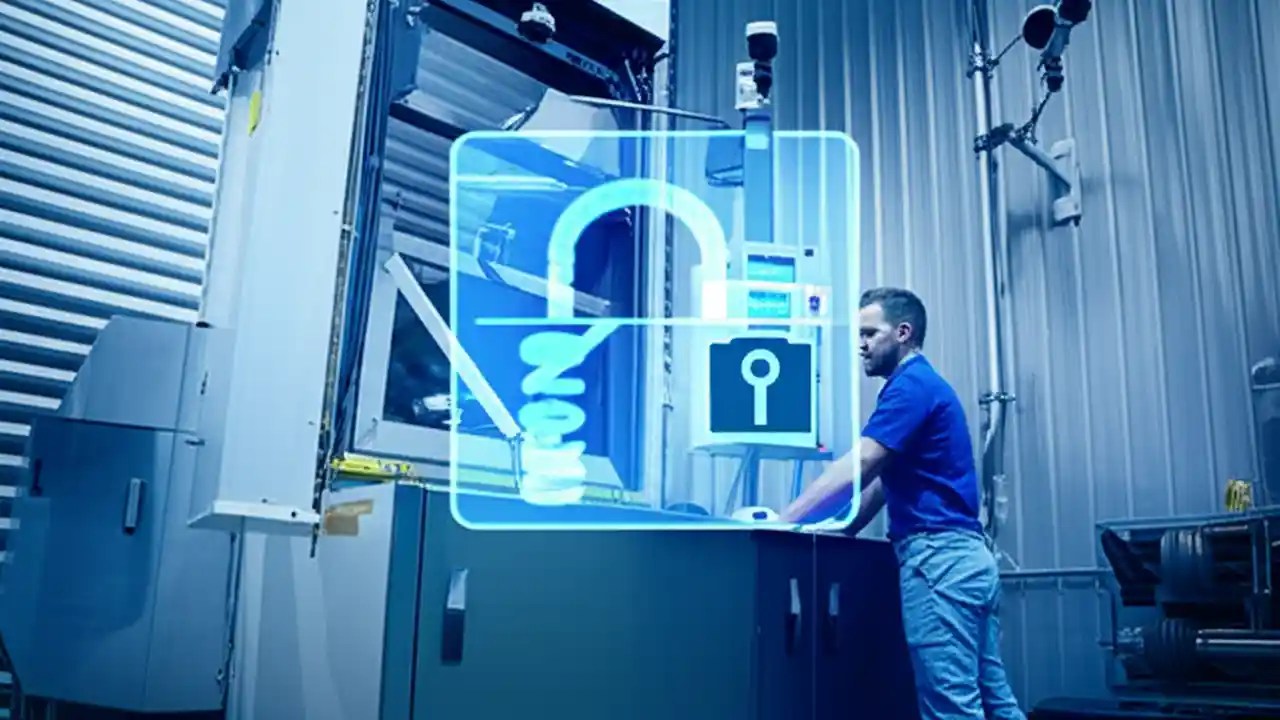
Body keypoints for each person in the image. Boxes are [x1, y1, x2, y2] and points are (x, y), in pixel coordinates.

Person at [780, 287, 1025, 720]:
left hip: (938, 565)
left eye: (870, 333)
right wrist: (844, 530)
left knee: (952, 709)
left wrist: (785, 521)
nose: (861, 344)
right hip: (967, 561)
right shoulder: (926, 386)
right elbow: (880, 481)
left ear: (904, 332)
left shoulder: (909, 387)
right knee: (994, 702)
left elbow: (864, 461)